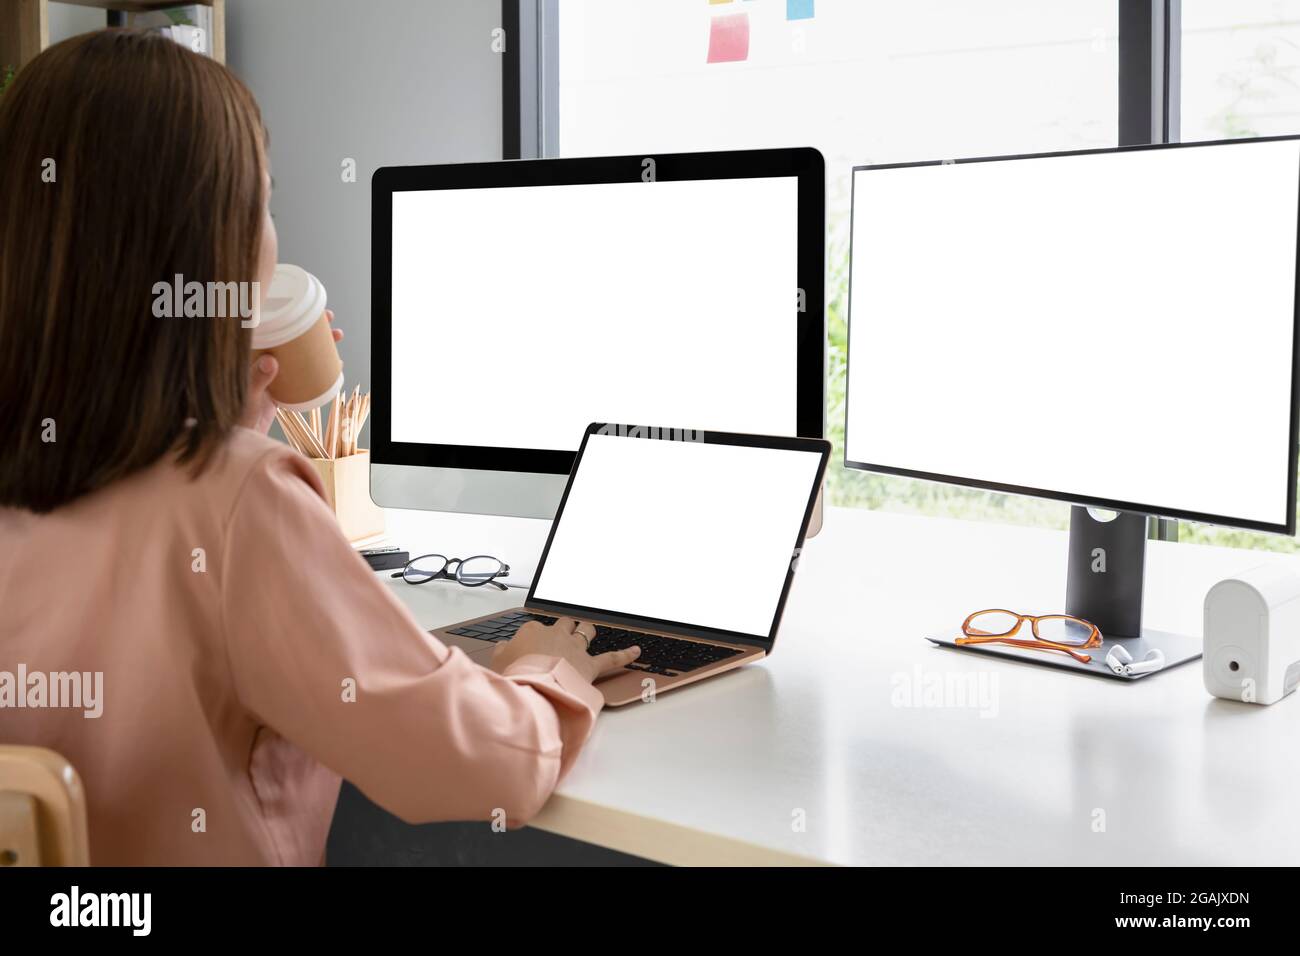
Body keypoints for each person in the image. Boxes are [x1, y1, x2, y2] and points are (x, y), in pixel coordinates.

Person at [0, 29, 638, 865]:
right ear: (206, 249)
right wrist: (547, 673)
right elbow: (478, 767)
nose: (271, 236)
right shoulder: (236, 505)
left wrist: (223, 432)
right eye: (262, 205)